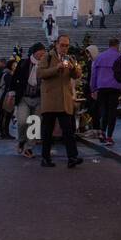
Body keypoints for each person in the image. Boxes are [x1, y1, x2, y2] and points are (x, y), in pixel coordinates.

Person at [38, 36, 82, 168]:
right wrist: (56, 68)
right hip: (50, 100)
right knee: (47, 131)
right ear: (56, 44)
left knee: (68, 131)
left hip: (64, 101)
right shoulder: (48, 57)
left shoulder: (70, 58)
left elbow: (77, 75)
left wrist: (74, 68)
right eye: (62, 45)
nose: (64, 48)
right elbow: (40, 74)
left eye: (67, 45)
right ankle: (45, 158)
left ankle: (72, 157)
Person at [9, 43, 46, 157]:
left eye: (44, 52)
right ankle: (21, 140)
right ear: (35, 52)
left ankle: (29, 148)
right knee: (22, 121)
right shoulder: (24, 63)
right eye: (41, 51)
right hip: (24, 98)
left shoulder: (45, 64)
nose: (42, 54)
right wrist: (11, 93)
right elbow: (14, 79)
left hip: (39, 98)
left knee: (35, 124)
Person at [90, 38, 121, 146]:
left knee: (104, 111)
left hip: (101, 87)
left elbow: (93, 74)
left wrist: (93, 88)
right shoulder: (120, 56)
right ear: (117, 46)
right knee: (112, 112)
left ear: (109, 45)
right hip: (115, 87)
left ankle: (102, 132)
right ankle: (109, 137)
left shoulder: (100, 57)